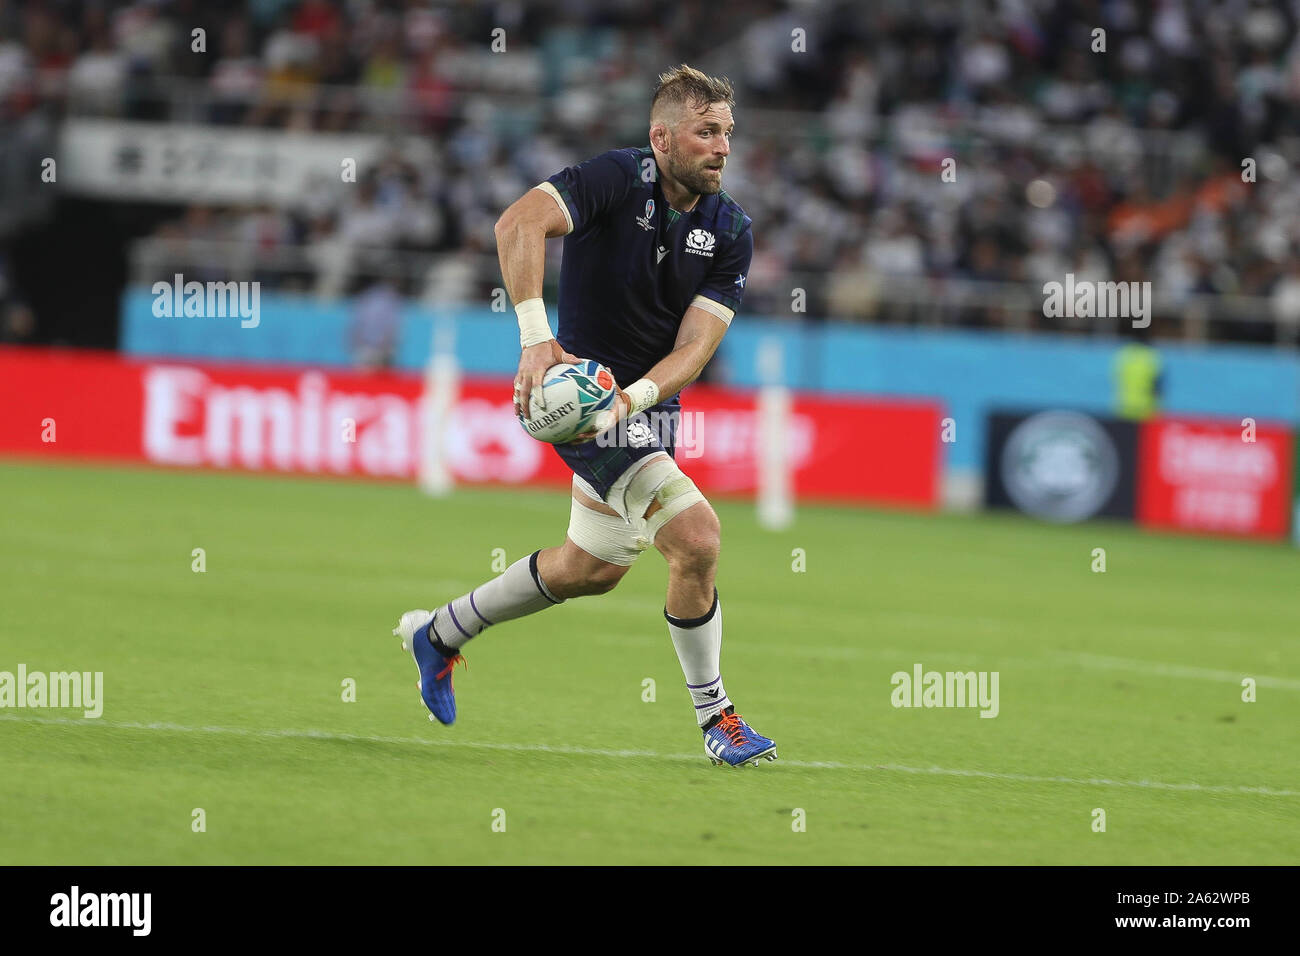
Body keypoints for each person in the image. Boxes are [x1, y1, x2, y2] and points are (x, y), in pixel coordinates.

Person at [392, 64, 775, 767]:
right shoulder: (613, 178)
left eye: (727, 134)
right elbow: (519, 222)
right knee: (696, 538)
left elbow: (694, 350)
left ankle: (440, 634)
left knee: (590, 569)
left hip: (644, 404)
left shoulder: (730, 231)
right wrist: (537, 337)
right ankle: (718, 720)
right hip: (577, 398)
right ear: (662, 138)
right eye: (706, 132)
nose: (723, 147)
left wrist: (634, 400)